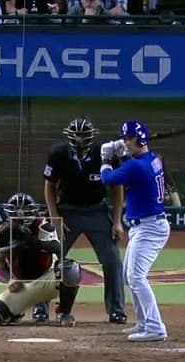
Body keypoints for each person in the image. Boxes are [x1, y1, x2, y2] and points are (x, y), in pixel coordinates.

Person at [32, 116, 127, 325]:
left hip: (97, 211)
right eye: (76, 135)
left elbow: (117, 187)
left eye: (83, 135)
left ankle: (117, 310)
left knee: (112, 260)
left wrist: (117, 220)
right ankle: (40, 307)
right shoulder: (58, 153)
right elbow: (49, 186)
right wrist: (55, 217)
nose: (79, 140)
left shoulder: (105, 154)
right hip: (67, 211)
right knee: (49, 258)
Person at [100, 120, 169, 343]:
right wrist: (123, 153)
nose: (126, 142)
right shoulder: (152, 158)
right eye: (125, 139)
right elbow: (133, 166)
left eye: (129, 139)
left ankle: (155, 327)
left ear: (139, 139)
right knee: (129, 276)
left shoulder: (136, 166)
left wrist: (106, 158)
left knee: (136, 277)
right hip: (146, 226)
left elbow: (107, 179)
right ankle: (143, 322)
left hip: (150, 228)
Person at [0, 192, 82, 327]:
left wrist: (31, 240)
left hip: (46, 280)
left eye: (25, 209)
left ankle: (64, 313)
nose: (21, 213)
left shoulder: (43, 225)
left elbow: (57, 248)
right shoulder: (4, 231)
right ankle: (18, 311)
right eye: (16, 209)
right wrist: (10, 279)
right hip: (23, 284)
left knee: (70, 269)